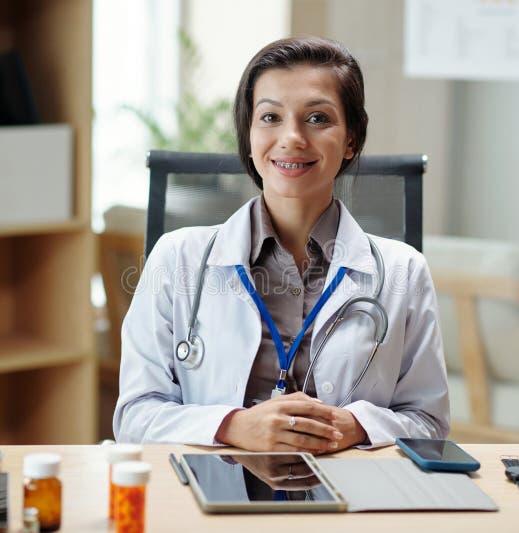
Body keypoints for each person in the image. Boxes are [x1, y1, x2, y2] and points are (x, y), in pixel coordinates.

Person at [114, 36, 449, 452]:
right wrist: (232, 427)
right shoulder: (177, 258)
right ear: (249, 134)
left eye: (317, 118)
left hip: (350, 486)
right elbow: (134, 416)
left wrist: (358, 427)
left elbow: (429, 422)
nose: (291, 137)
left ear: (351, 138)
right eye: (270, 117)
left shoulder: (404, 270)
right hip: (215, 484)